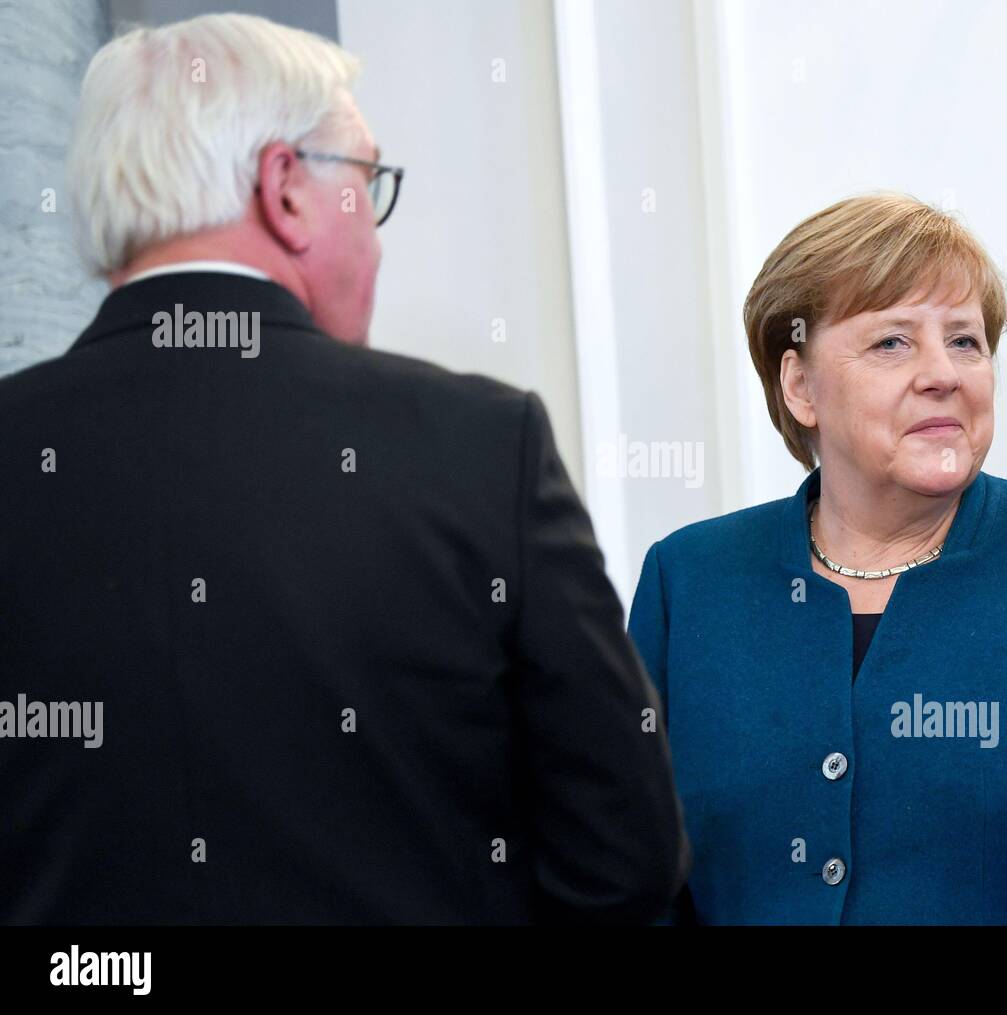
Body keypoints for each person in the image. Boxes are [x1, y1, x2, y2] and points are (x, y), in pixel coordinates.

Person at [0, 12, 688, 925]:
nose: (378, 233)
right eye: (368, 183)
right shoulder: (480, 444)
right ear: (284, 189)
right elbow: (626, 856)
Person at [628, 192, 1007, 924]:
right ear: (800, 385)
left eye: (965, 341)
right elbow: (631, 866)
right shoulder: (688, 580)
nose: (945, 373)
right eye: (892, 342)